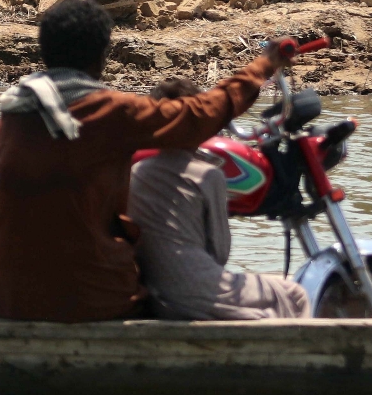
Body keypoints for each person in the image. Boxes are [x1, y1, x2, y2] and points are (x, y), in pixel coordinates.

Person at [0, 0, 294, 322]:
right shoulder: (111, 112)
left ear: (45, 53)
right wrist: (263, 65)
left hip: (11, 298)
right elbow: (200, 113)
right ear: (102, 57)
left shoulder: (14, 113)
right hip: (95, 299)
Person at [128, 76, 310, 320]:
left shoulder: (137, 171)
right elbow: (220, 252)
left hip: (158, 293)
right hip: (196, 290)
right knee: (294, 294)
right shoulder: (208, 175)